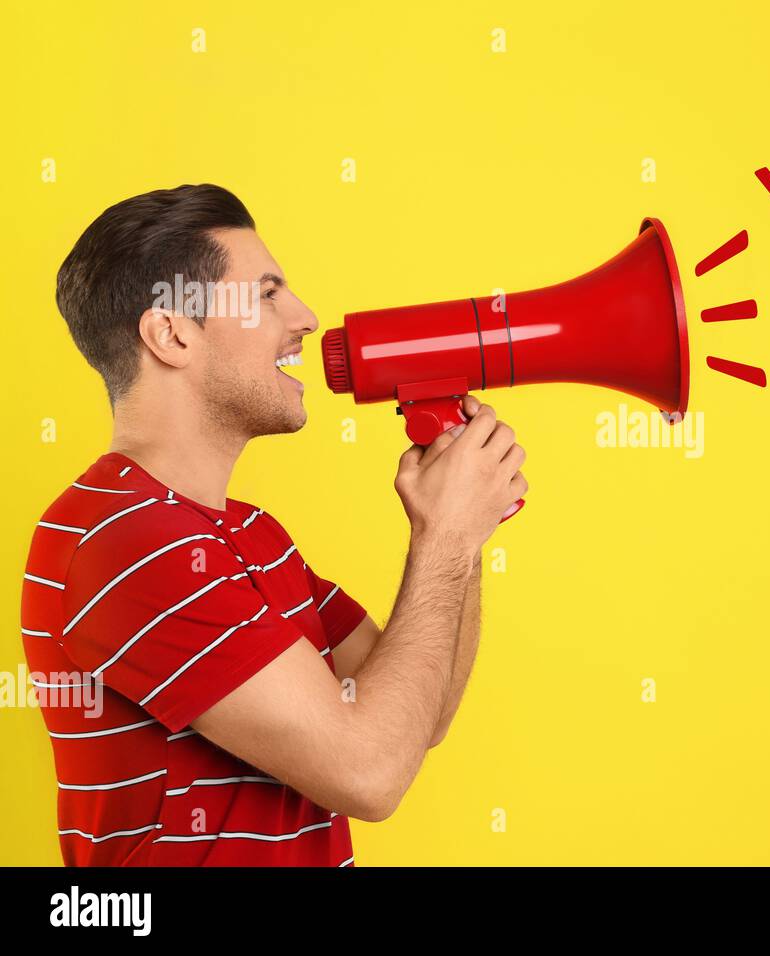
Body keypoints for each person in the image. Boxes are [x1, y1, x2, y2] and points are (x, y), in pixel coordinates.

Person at [20, 184, 526, 865]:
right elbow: (369, 775)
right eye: (265, 294)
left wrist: (463, 535)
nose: (307, 318)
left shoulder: (249, 533)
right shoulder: (122, 539)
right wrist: (447, 538)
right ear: (172, 334)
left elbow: (416, 719)